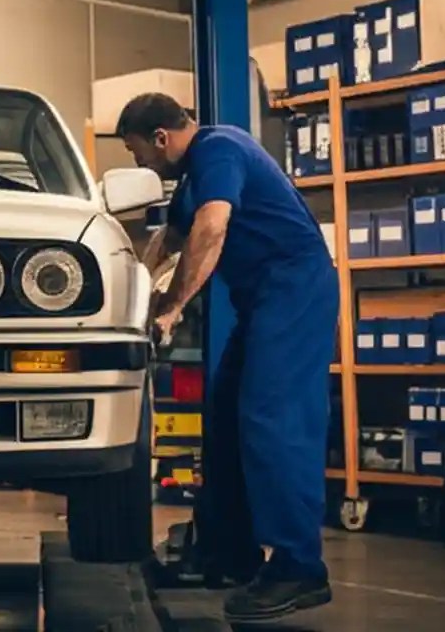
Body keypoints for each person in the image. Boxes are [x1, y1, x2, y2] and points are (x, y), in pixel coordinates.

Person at [118, 93, 338, 624]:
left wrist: (173, 306)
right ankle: (229, 553)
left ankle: (299, 567)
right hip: (263, 299)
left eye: (135, 150)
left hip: (296, 289)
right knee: (224, 417)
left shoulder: (219, 149)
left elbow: (212, 227)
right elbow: (169, 239)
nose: (139, 162)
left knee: (273, 418)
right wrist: (135, 295)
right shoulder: (194, 173)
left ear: (161, 138)